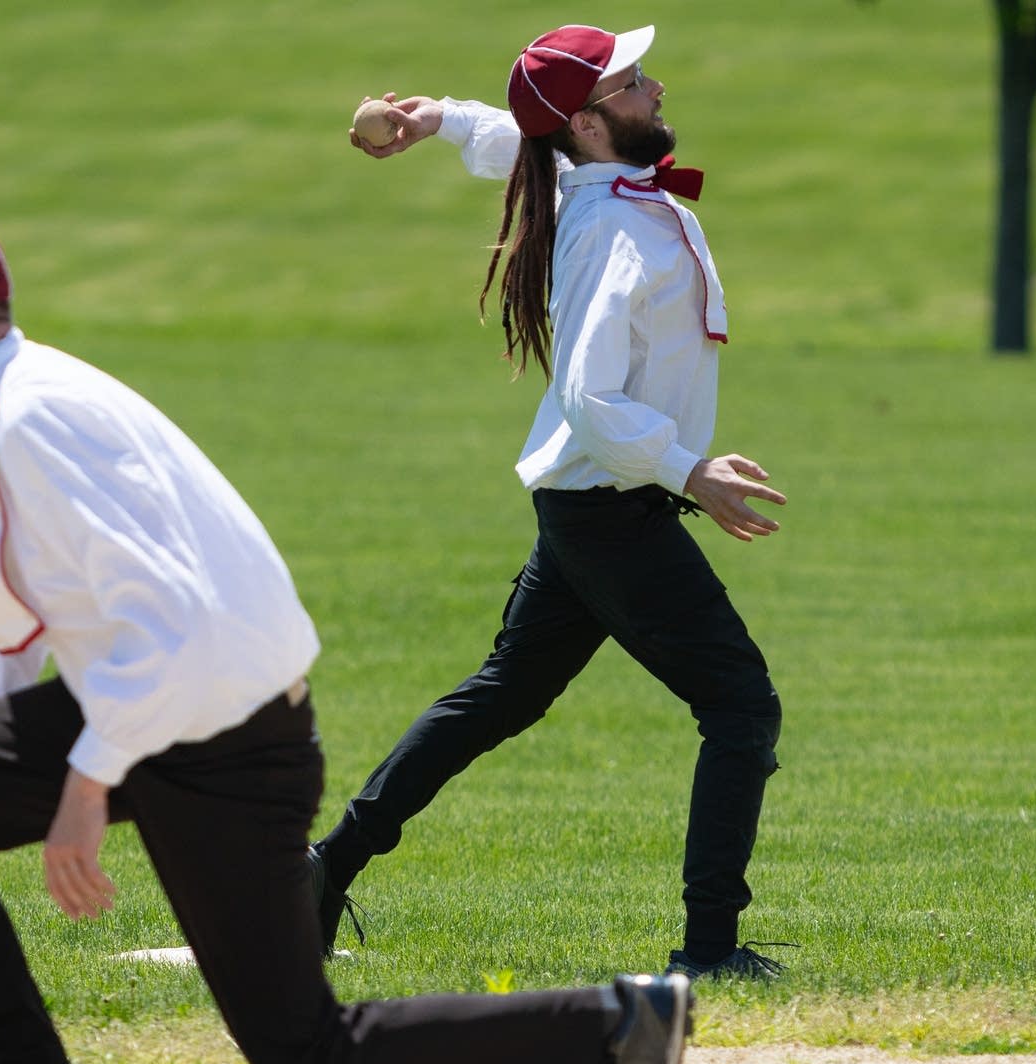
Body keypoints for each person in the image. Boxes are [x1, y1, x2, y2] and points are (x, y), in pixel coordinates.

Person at [0, 211, 692, 1064]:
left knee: (301, 1051)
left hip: (230, 740)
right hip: (158, 711)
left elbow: (171, 624)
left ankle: (614, 1029)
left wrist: (83, 787)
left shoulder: (35, 417)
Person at [314, 24, 790, 981]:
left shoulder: (578, 176)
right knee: (741, 707)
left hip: (594, 504)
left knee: (501, 698)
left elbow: (517, 140)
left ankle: (320, 875)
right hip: (612, 510)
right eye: (633, 82)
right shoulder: (609, 231)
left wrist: (432, 118)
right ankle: (707, 952)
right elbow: (589, 398)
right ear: (590, 120)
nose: (655, 88)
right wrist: (688, 468)